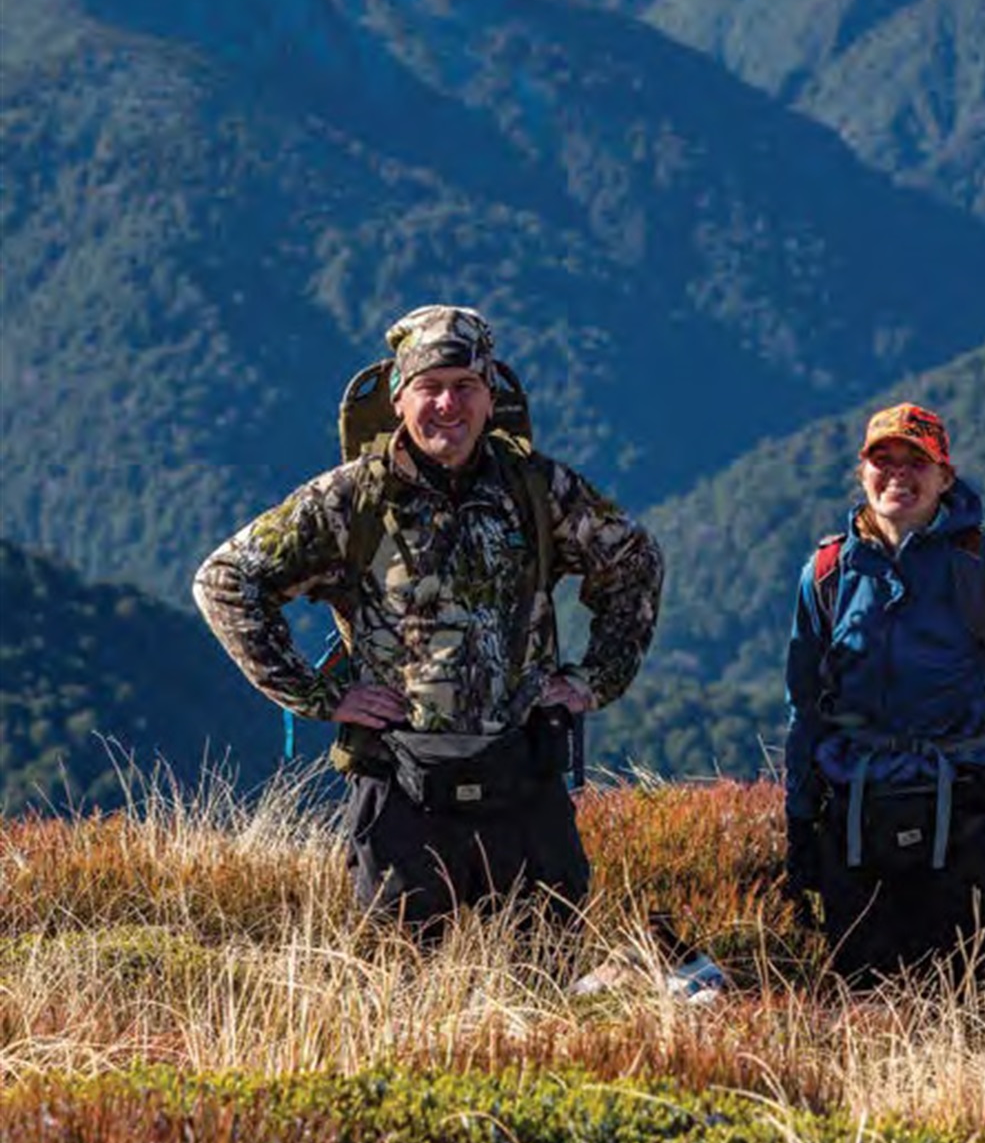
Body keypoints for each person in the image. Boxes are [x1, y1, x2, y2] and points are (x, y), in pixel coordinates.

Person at [194, 304, 663, 931]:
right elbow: (224, 580)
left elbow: (635, 559)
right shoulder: (350, 500)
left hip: (523, 778)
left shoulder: (538, 491)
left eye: (465, 387)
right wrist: (319, 695)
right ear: (399, 398)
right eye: (430, 388)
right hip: (401, 791)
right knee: (401, 992)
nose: (449, 405)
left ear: (490, 396)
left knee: (545, 984)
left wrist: (592, 681)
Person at [783, 402, 985, 984]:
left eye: (917, 463)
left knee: (952, 1010)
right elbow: (804, 710)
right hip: (852, 824)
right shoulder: (828, 572)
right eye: (883, 460)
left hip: (959, 818)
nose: (898, 475)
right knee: (861, 1018)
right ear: (862, 473)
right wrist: (799, 824)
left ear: (945, 477)